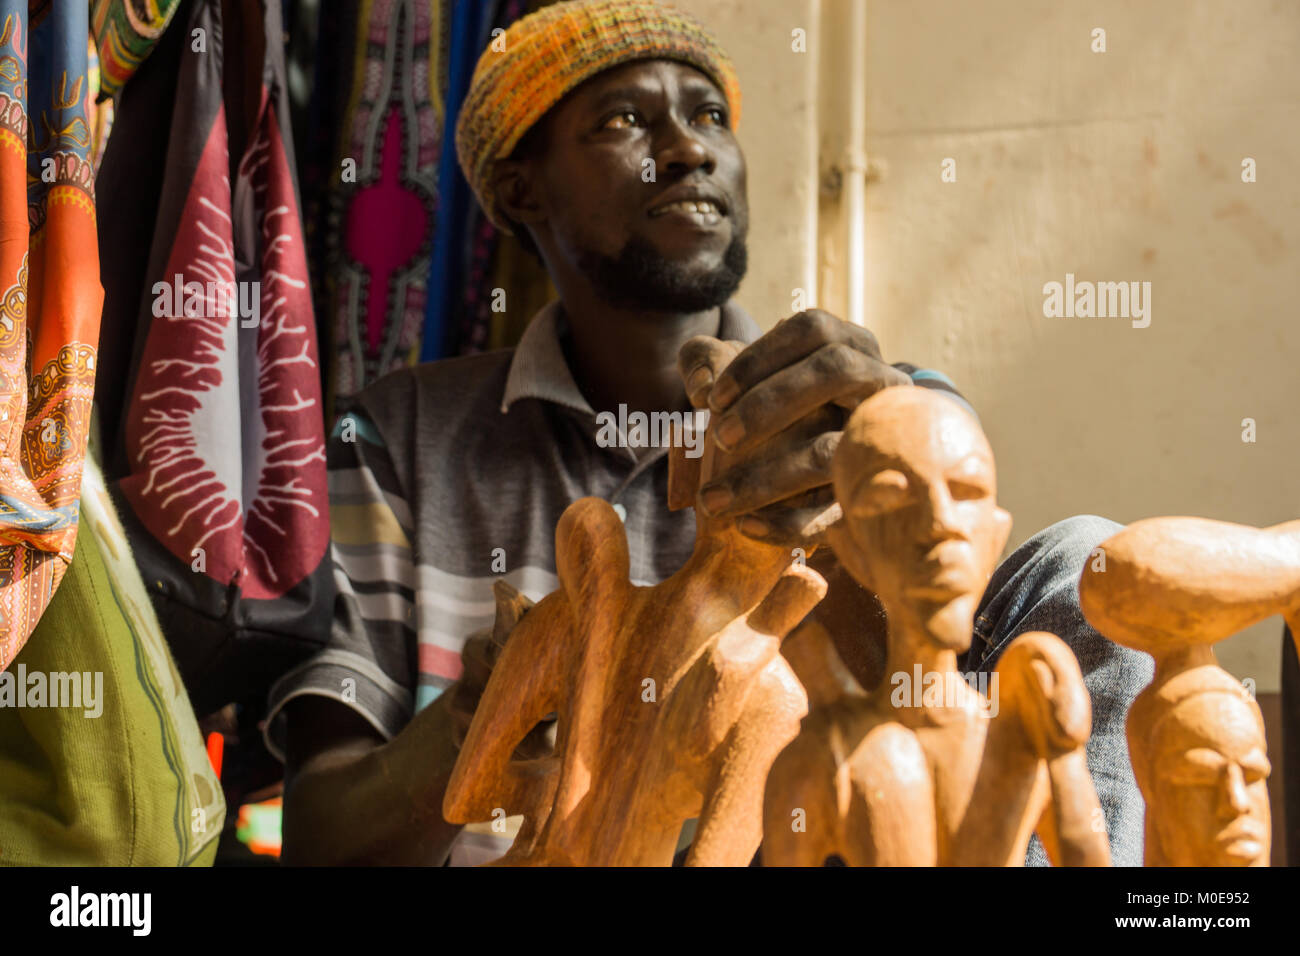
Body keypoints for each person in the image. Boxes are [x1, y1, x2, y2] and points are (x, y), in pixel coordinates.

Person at [267, 0, 1151, 866]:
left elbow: (923, 735)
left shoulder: (876, 414)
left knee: (1095, 561)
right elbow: (321, 835)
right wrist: (484, 714)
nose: (689, 149)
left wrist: (848, 545)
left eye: (711, 116)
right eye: (624, 119)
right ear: (518, 187)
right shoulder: (400, 433)